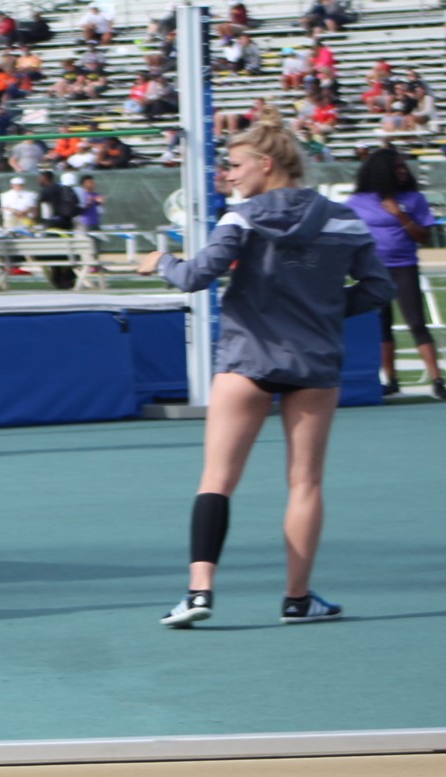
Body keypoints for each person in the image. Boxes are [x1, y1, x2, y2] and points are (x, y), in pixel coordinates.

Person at [136, 124, 393, 629]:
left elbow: (195, 277)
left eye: (234, 166)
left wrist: (160, 260)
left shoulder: (242, 219)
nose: (227, 176)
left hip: (247, 360)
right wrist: (324, 309)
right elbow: (378, 287)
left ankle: (199, 592)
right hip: (314, 363)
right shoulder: (343, 220)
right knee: (305, 483)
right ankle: (297, 599)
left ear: (266, 164)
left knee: (217, 480)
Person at [345, 148, 446, 398]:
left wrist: (400, 214)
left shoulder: (413, 198)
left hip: (404, 266)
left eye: (404, 167)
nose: (403, 172)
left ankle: (437, 379)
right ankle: (391, 379)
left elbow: (424, 237)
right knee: (382, 325)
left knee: (416, 322)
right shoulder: (358, 202)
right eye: (397, 168)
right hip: (372, 269)